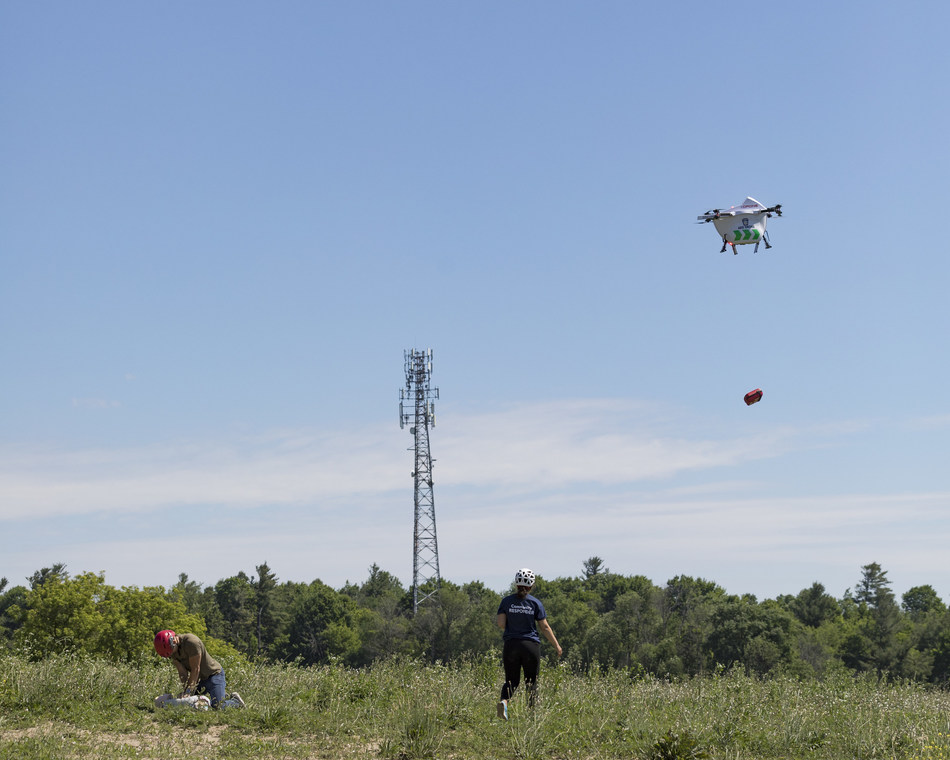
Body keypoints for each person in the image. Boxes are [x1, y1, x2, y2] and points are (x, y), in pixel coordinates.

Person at [495, 568, 562, 720]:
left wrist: (514, 627)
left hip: (511, 645)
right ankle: (532, 717)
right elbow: (544, 627)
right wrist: (557, 646)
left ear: (516, 584)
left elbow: (501, 624)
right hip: (530, 646)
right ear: (531, 586)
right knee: (531, 682)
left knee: (511, 681)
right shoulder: (535, 603)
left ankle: (504, 703)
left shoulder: (506, 601)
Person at [153, 629, 245, 709]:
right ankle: (220, 694)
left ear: (174, 641)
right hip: (201, 680)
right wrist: (185, 692)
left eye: (171, 651)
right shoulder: (171, 651)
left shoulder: (191, 642)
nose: (171, 655)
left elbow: (195, 669)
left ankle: (235, 702)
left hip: (214, 675)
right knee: (192, 703)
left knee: (217, 706)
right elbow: (182, 673)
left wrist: (189, 691)